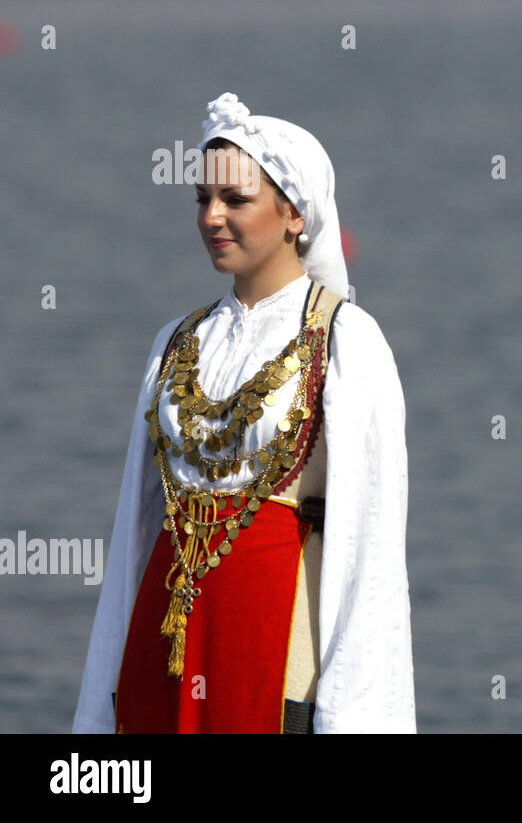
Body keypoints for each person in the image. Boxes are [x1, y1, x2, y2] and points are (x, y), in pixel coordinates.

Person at [73, 92, 415, 733]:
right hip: (163, 636)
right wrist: (99, 696)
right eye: (202, 198)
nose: (212, 216)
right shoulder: (178, 340)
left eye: (235, 199)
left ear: (294, 213)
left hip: (272, 632)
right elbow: (134, 531)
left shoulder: (346, 340)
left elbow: (368, 548)